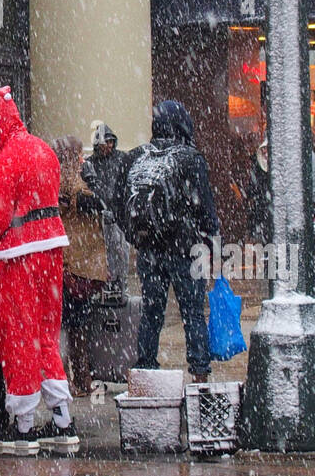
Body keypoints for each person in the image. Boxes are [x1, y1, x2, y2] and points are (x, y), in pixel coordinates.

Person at [0, 87, 75, 455]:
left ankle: (23, 426)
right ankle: (62, 420)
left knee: (18, 335)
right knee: (46, 334)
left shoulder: (6, 159)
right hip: (51, 251)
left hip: (15, 257)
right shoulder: (43, 150)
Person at [122, 100, 218, 382]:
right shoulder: (189, 157)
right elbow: (205, 208)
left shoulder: (139, 156)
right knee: (193, 314)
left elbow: (123, 202)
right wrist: (211, 240)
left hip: (149, 249)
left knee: (151, 313)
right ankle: (199, 373)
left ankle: (146, 370)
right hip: (185, 249)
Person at [54, 136, 107, 396]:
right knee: (75, 326)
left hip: (64, 261)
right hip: (77, 263)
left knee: (65, 326)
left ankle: (68, 380)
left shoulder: (53, 178)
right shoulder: (74, 181)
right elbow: (99, 202)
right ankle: (78, 379)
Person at [81, 120, 131, 295]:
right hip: (98, 216)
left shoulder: (122, 159)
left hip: (118, 215)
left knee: (120, 251)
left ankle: (120, 284)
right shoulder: (90, 164)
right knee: (102, 253)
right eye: (105, 142)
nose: (108, 146)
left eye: (110, 142)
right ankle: (104, 284)